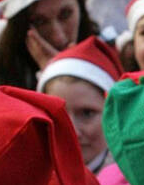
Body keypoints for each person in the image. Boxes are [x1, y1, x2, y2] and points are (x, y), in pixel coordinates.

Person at [37, 35, 122, 174]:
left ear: (113, 114)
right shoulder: (31, 180)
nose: (73, 133)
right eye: (59, 116)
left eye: (87, 113)